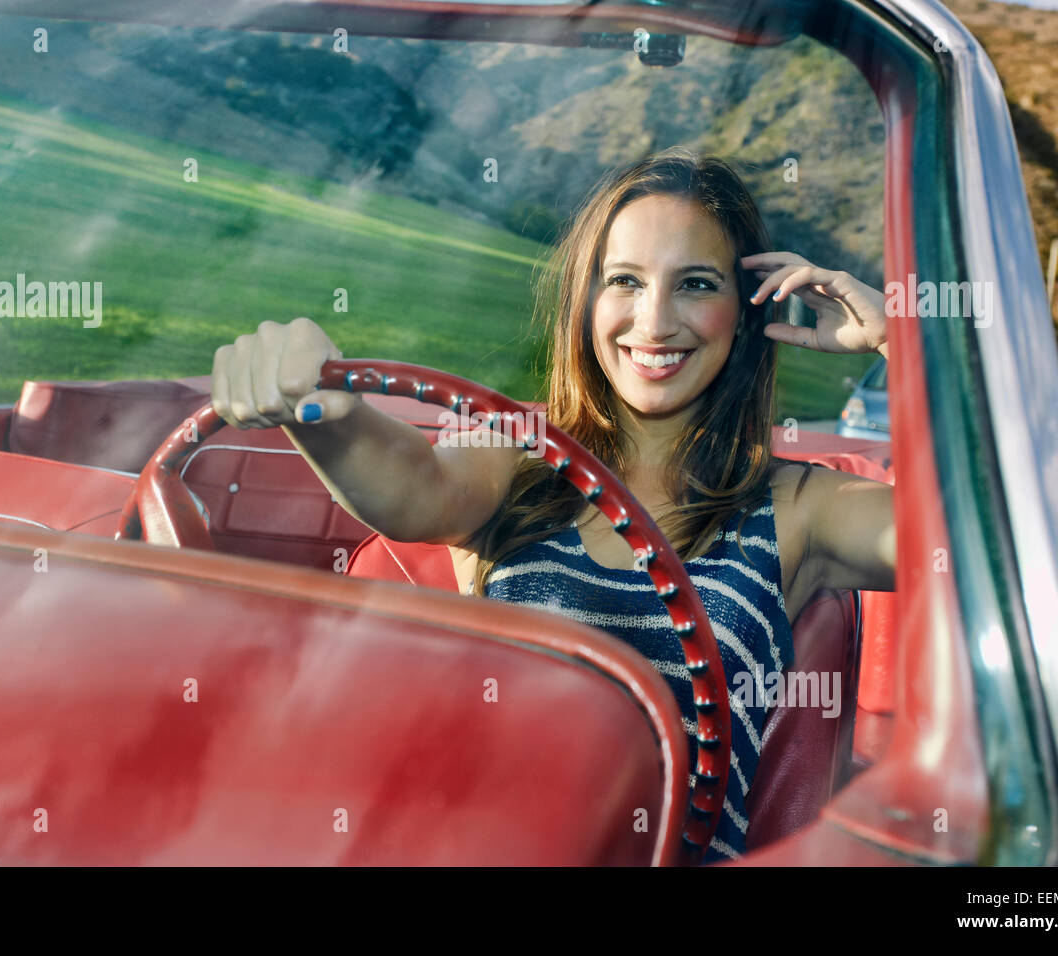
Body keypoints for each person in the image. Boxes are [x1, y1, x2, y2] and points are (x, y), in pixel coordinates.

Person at [210, 148, 895, 862]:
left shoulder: (799, 505)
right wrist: (319, 407)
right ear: (585, 299)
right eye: (623, 281)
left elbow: (976, 545)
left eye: (694, 283)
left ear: (746, 314)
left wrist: (898, 346)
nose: (654, 322)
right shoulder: (516, 454)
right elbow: (412, 490)